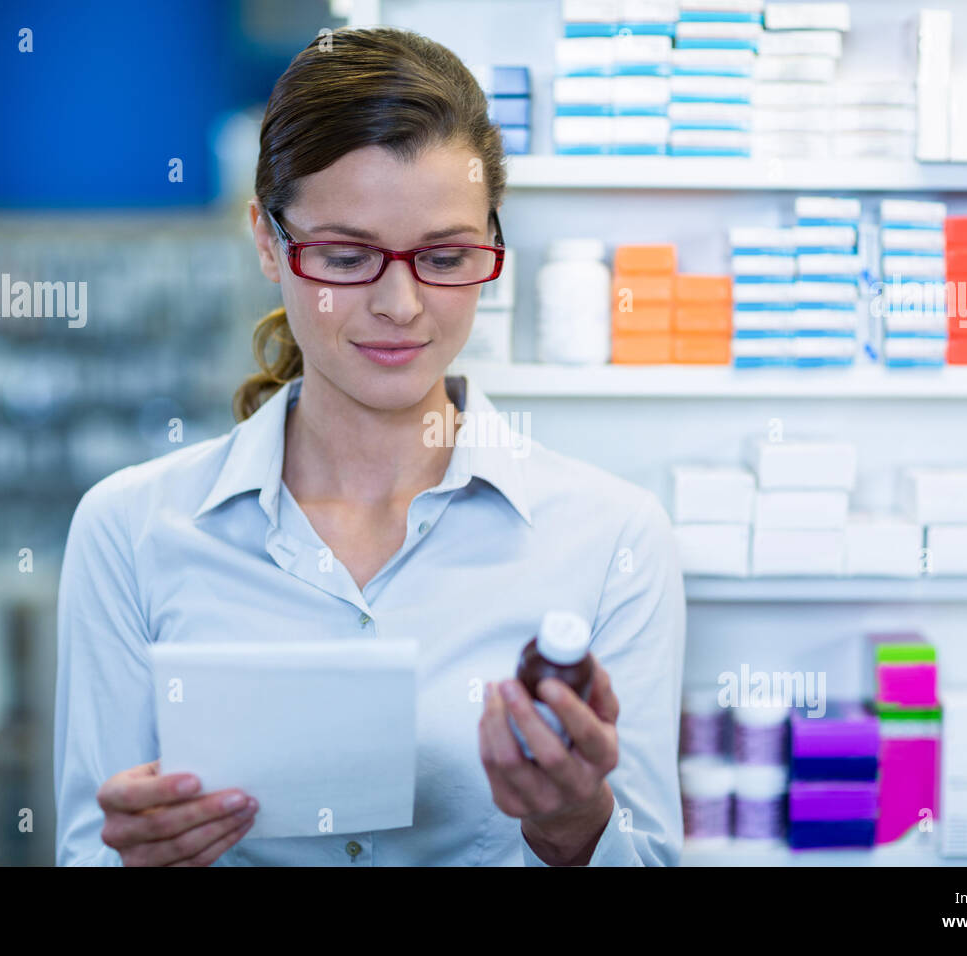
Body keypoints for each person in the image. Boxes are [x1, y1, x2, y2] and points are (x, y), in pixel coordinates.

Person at [54, 25, 686, 867]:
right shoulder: (130, 530)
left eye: (446, 255)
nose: (400, 303)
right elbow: (88, 851)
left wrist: (574, 829)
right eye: (346, 256)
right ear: (268, 242)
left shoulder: (613, 539)